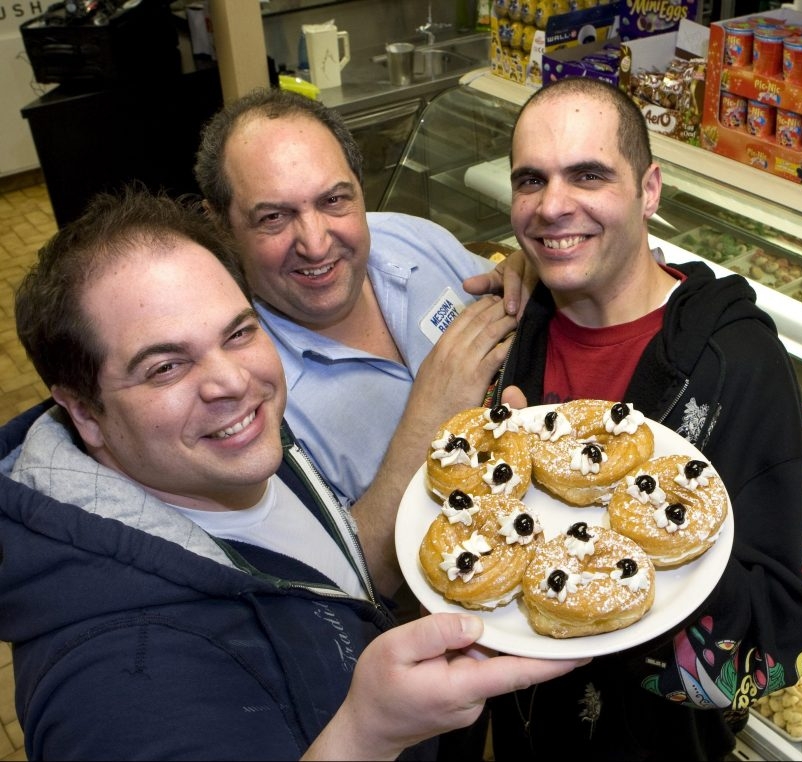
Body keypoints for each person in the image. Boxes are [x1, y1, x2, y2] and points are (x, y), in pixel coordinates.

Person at [0, 188, 585, 761]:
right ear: (82, 410)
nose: (233, 382)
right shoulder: (113, 686)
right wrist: (366, 737)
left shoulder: (225, 447)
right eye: (166, 366)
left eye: (238, 331)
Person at [486, 77, 802, 760]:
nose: (551, 206)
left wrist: (642, 573)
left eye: (587, 175)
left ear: (648, 190)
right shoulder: (510, 329)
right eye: (530, 181)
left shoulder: (738, 368)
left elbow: (774, 671)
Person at [193, 88, 524, 513]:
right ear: (219, 225)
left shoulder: (409, 237)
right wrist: (428, 422)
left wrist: (529, 273)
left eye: (334, 200)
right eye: (273, 217)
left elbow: (514, 292)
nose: (315, 245)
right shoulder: (242, 395)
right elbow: (349, 574)